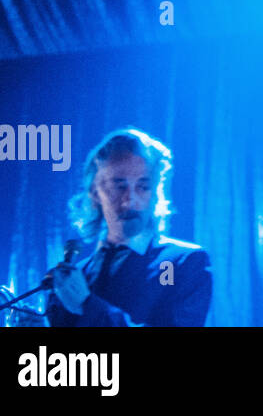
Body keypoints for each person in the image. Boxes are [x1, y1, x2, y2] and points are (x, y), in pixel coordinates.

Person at [46, 128, 211, 327]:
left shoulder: (180, 263)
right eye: (119, 186)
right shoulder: (79, 273)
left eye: (143, 186)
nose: (130, 200)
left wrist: (87, 304)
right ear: (96, 193)